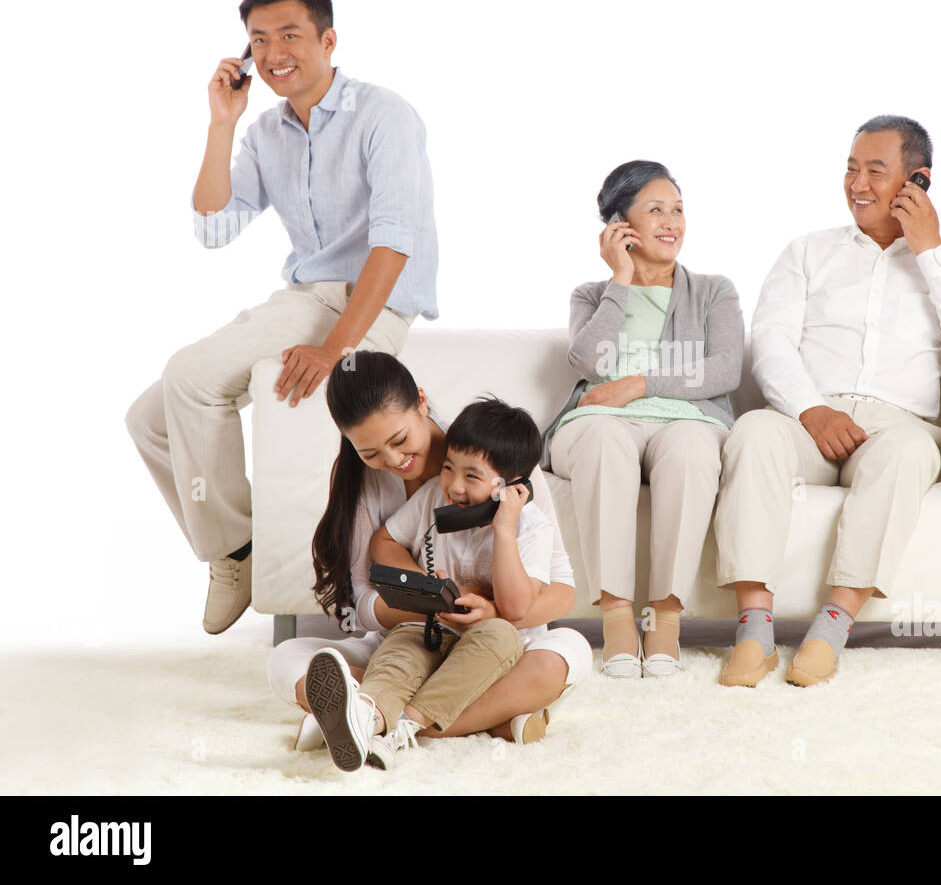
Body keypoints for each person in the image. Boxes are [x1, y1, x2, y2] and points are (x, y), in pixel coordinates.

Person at [124, 0, 438, 635]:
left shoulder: (384, 115)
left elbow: (394, 244)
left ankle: (231, 548)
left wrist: (336, 347)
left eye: (289, 34)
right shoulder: (266, 131)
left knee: (189, 374)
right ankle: (238, 545)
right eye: (258, 40)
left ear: (328, 39)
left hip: (362, 306)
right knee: (148, 417)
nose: (272, 53)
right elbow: (213, 227)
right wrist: (221, 123)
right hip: (304, 297)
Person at [714, 115, 941, 687]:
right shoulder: (807, 252)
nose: (858, 184)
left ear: (917, 179)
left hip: (896, 427)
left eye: (876, 170)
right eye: (851, 169)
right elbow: (770, 340)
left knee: (911, 453)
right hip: (809, 415)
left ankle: (832, 627)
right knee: (752, 431)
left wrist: (929, 249)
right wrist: (811, 410)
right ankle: (754, 629)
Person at [265, 352, 590, 751]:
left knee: (568, 653)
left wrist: (495, 609)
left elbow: (562, 588)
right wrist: (426, 599)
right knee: (287, 657)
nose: (393, 461)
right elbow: (364, 600)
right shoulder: (372, 486)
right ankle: (484, 718)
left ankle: (382, 719)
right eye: (370, 453)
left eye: (399, 440)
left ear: (421, 401)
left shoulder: (497, 452)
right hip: (410, 639)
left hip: (498, 643)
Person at [542, 161, 744, 678]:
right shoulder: (592, 294)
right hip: (600, 423)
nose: (671, 221)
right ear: (619, 225)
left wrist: (640, 384)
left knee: (694, 449)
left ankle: (665, 620)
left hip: (687, 420)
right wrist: (622, 279)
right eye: (655, 210)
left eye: (677, 209)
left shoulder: (714, 290)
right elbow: (590, 363)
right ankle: (616, 621)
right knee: (606, 438)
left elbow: (724, 368)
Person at [305, 395, 555, 771]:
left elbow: (518, 607)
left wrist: (503, 528)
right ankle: (366, 718)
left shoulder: (531, 528)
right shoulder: (431, 498)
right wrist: (424, 583)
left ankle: (405, 726)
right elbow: (382, 541)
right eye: (449, 467)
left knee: (502, 635)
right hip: (428, 626)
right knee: (399, 651)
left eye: (471, 476)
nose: (453, 486)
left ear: (511, 487)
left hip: (486, 644)